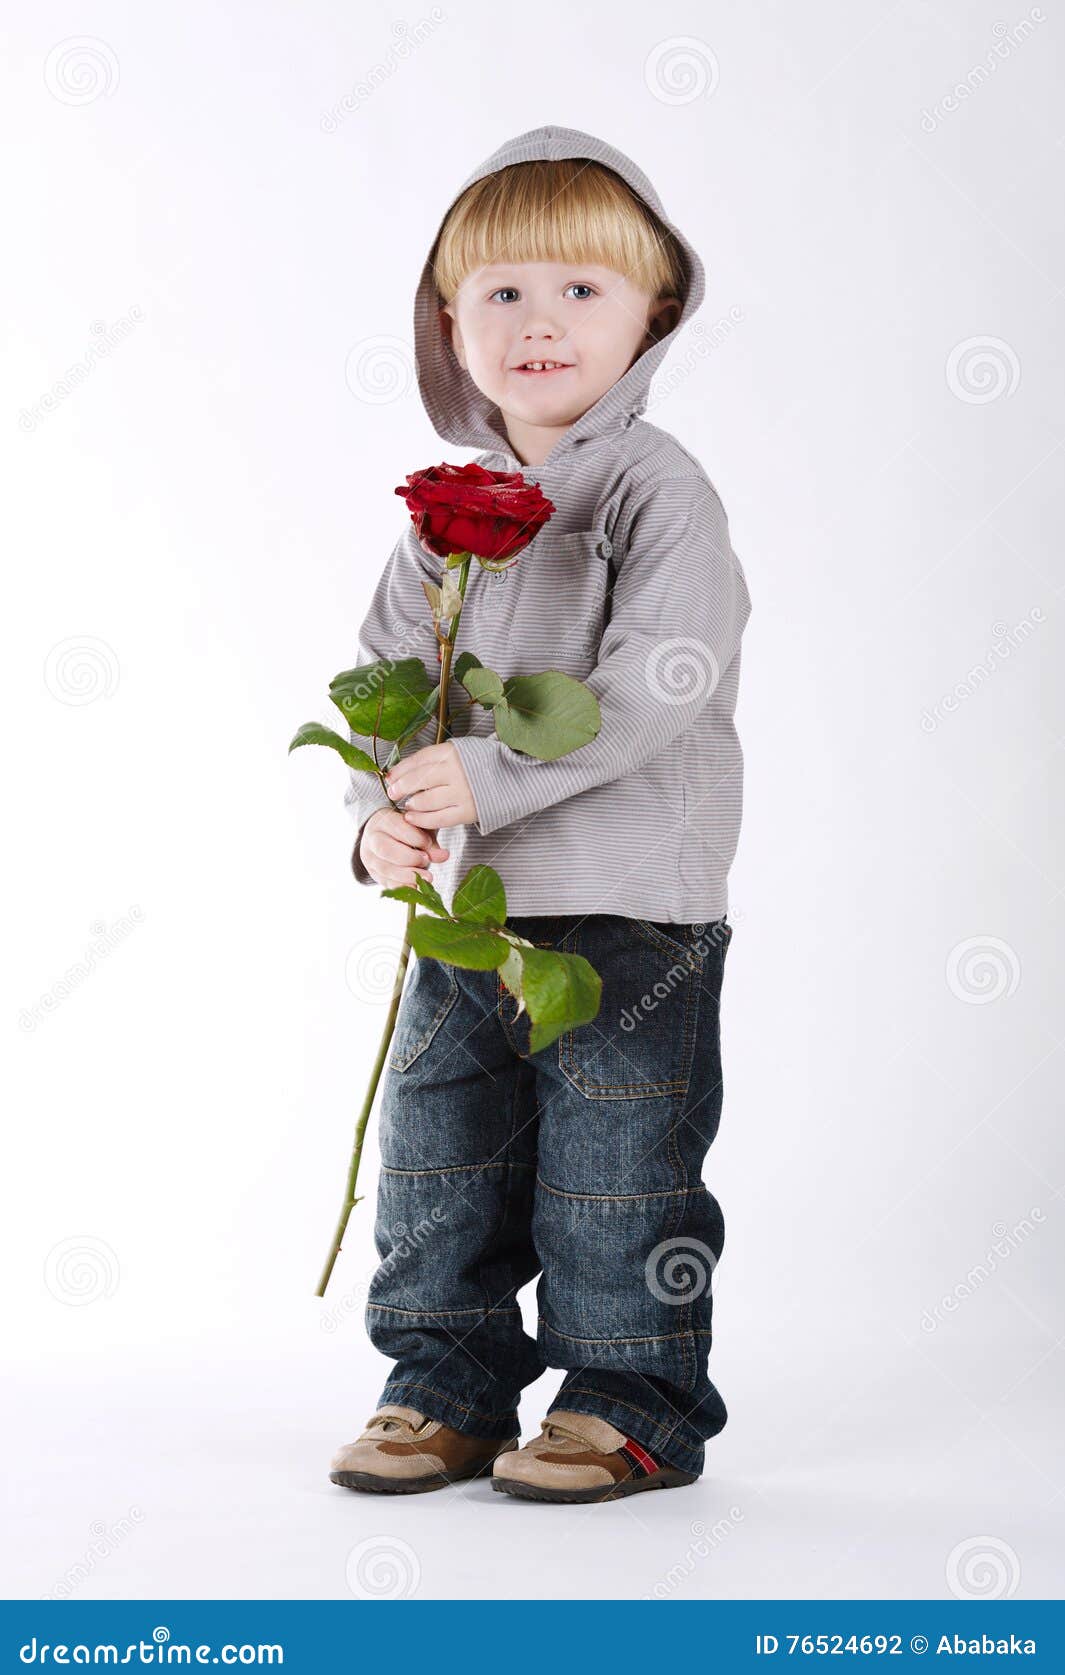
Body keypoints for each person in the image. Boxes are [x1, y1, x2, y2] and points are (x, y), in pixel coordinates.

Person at [329, 125, 751, 1503]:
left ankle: (632, 1397)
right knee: (440, 1148)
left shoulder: (655, 485)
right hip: (470, 909)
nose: (538, 324)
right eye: (500, 293)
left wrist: (495, 779)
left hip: (629, 908)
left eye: (581, 290)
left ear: (651, 314)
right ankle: (442, 1380)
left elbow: (659, 686)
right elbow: (392, 689)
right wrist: (376, 813)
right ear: (448, 324)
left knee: (614, 1156)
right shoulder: (442, 515)